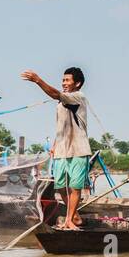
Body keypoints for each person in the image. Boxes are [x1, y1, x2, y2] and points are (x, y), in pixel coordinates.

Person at [21, 66, 90, 230]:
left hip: (79, 149)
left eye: (67, 80)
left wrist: (38, 80)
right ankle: (74, 216)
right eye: (63, 80)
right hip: (61, 149)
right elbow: (61, 127)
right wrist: (54, 145)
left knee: (75, 186)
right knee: (60, 185)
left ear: (77, 83)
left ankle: (69, 220)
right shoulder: (60, 103)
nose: (64, 83)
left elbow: (55, 94)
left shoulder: (78, 97)